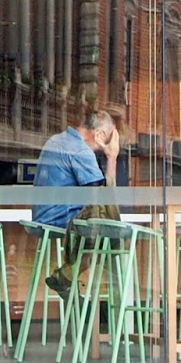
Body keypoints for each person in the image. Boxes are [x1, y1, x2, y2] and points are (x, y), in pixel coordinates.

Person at [31, 108, 120, 300]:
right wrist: (112, 157)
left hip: (42, 218)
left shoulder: (56, 140)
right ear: (99, 135)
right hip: (61, 219)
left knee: (105, 233)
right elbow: (103, 196)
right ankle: (72, 278)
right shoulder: (80, 149)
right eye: (106, 141)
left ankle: (67, 278)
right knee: (111, 234)